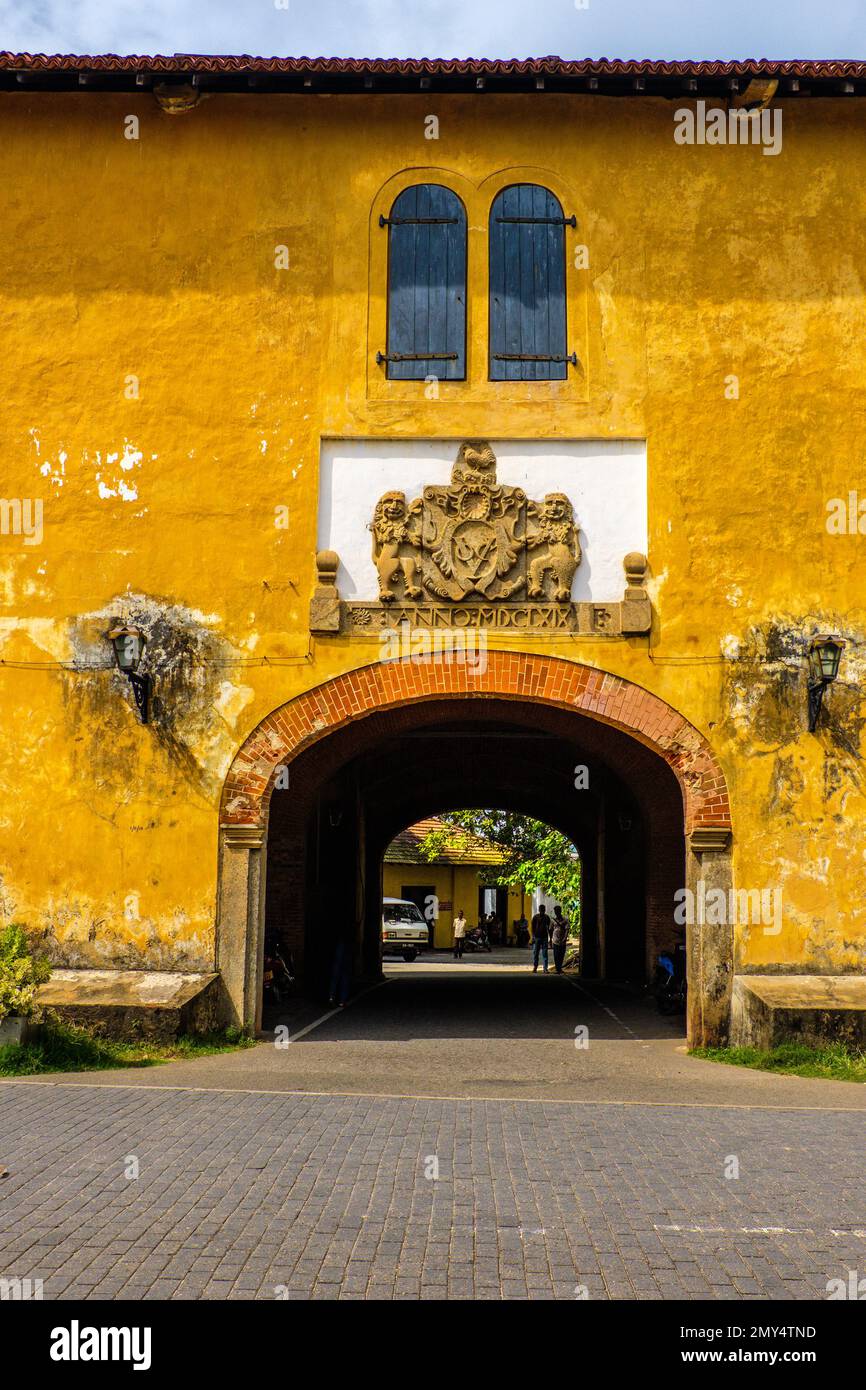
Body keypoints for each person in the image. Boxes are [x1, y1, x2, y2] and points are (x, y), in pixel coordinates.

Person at [530, 905, 550, 973]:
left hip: (544, 937)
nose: (542, 910)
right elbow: (532, 928)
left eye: (543, 909)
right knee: (536, 953)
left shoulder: (547, 917)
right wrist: (533, 937)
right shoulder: (535, 917)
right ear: (539, 909)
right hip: (537, 937)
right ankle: (535, 967)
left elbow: (549, 928)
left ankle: (545, 968)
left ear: (545, 910)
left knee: (545, 953)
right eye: (541, 909)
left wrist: (550, 939)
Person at [550, 905, 571, 974]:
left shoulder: (565, 920)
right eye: (556, 911)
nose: (557, 913)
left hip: (562, 940)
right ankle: (557, 969)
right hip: (555, 940)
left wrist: (565, 938)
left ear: (560, 911)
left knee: (561, 955)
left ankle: (559, 968)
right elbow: (551, 929)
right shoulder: (553, 920)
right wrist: (550, 939)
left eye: (558, 911)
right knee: (556, 955)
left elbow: (567, 930)